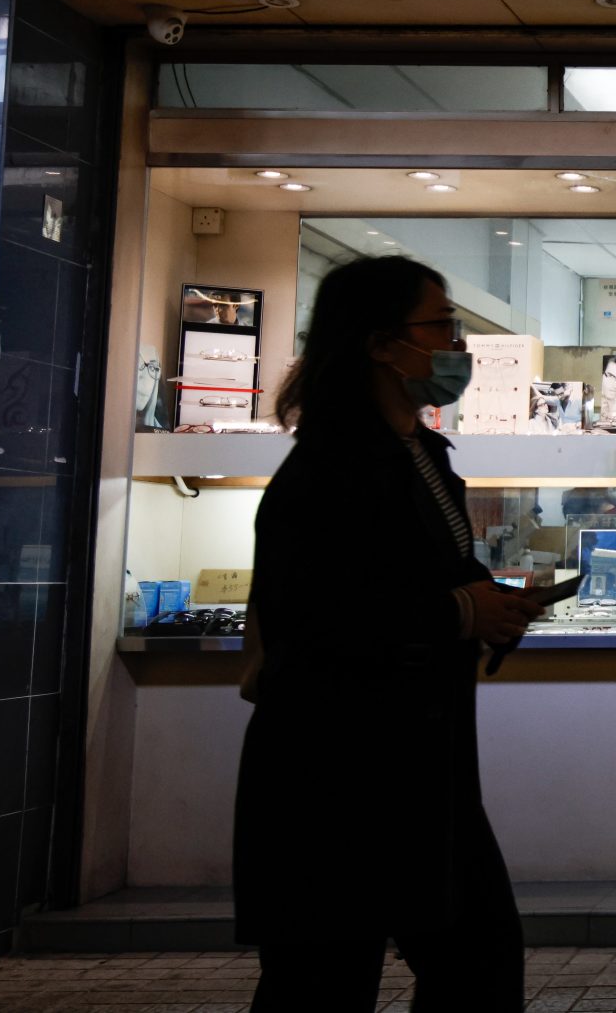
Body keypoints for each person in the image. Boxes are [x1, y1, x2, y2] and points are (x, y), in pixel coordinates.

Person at [236, 256, 545, 1011]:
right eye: (441, 325)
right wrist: (464, 612)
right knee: (322, 985)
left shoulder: (422, 453)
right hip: (336, 775)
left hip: (422, 770)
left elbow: (435, 578)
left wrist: (492, 606)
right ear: (379, 342)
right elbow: (319, 624)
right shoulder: (328, 470)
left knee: (480, 962)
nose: (457, 346)